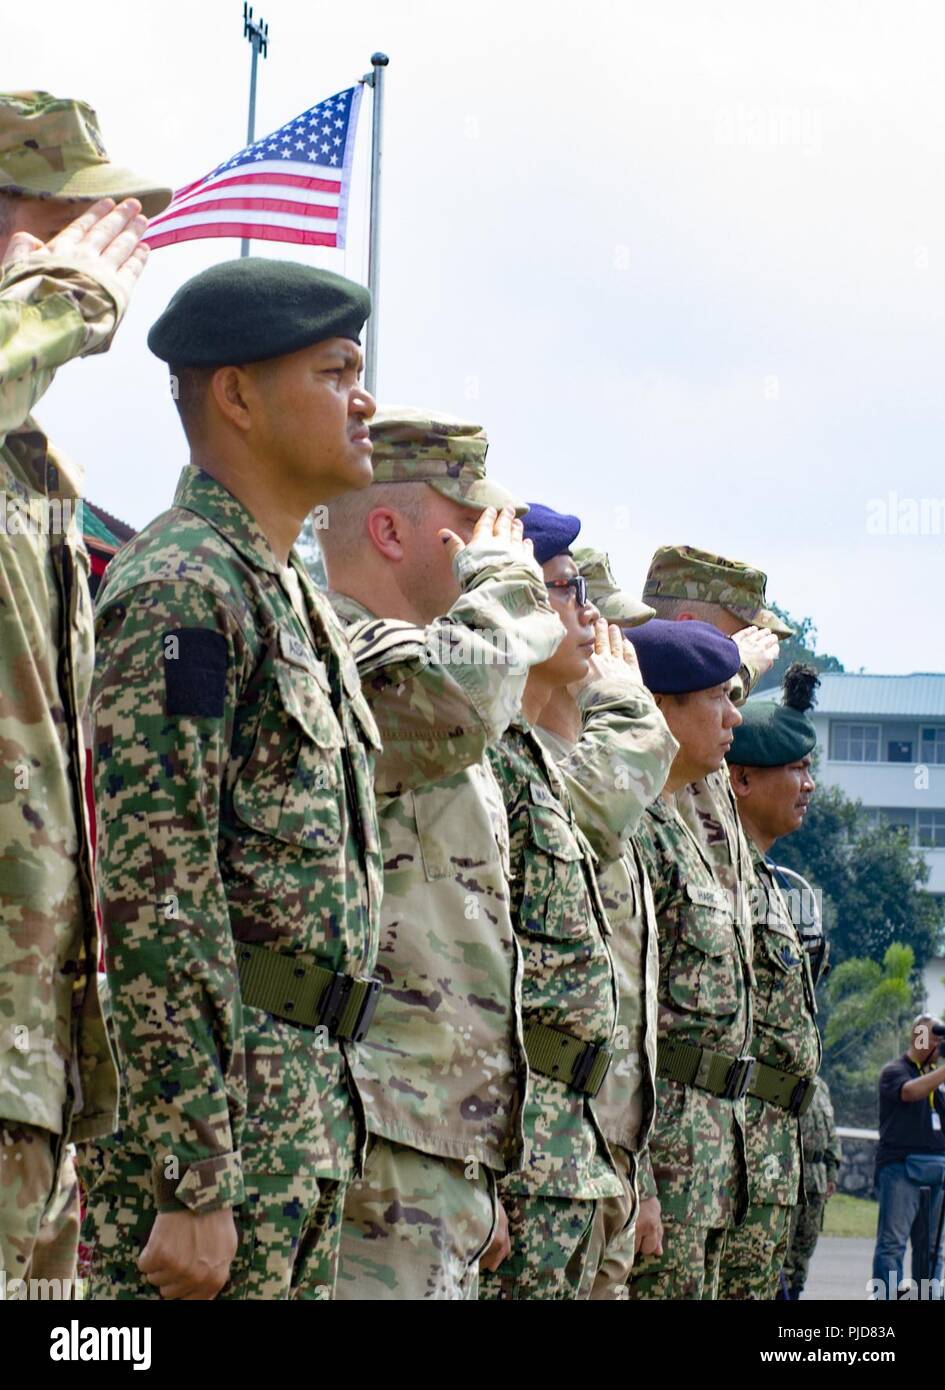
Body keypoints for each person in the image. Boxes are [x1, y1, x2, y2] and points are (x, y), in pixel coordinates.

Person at [82, 258, 384, 1300]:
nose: (366, 399)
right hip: (220, 1137)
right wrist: (191, 1170)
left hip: (295, 1116)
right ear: (239, 395)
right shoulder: (185, 587)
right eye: (335, 371)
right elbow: (159, 890)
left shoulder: (285, 592)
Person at [318, 406, 564, 1298]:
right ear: (387, 530)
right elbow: (456, 698)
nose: (501, 557)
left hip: (427, 1136)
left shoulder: (431, 664)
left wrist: (478, 1165)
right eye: (473, 535)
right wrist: (499, 588)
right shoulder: (340, 647)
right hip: (368, 1130)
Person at [0, 90, 169, 1295]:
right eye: (66, 225)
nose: (103, 257)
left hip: (38, 1055)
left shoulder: (37, 469)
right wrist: (52, 307)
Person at [479, 505, 628, 1300]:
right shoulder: (488, 759)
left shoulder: (531, 760)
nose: (590, 614)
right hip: (513, 1151)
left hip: (564, 1146)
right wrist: (486, 1168)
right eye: (565, 589)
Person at [536, 546, 678, 1297]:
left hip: (603, 1148)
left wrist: (637, 1171)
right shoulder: (552, 769)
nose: (601, 633)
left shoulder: (597, 774)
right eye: (575, 600)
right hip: (539, 1149)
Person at [622, 619, 754, 1300]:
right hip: (660, 1154)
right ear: (661, 708)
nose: (734, 716)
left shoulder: (687, 826)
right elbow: (627, 1017)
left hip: (705, 1152)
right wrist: (638, 1173)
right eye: (716, 698)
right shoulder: (636, 825)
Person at [717, 664, 823, 1299]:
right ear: (743, 779)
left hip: (770, 1151)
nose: (809, 786)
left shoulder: (771, 886)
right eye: (796, 771)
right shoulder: (722, 881)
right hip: (728, 1152)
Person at [871, 1015, 945, 1296]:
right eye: (931, 1038)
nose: (936, 1044)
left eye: (939, 1039)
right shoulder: (895, 1070)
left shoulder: (937, 1077)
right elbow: (910, 1092)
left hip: (937, 1170)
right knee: (892, 1244)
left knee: (932, 1249)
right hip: (901, 1169)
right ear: (917, 1037)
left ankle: (928, 1295)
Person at [781, 1075, 841, 1298]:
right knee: (784, 1248)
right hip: (792, 1173)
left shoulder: (821, 1086)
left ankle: (796, 1290)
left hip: (816, 1177)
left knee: (805, 1246)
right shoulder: (786, 1078)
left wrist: (832, 1171)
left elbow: (831, 1133)